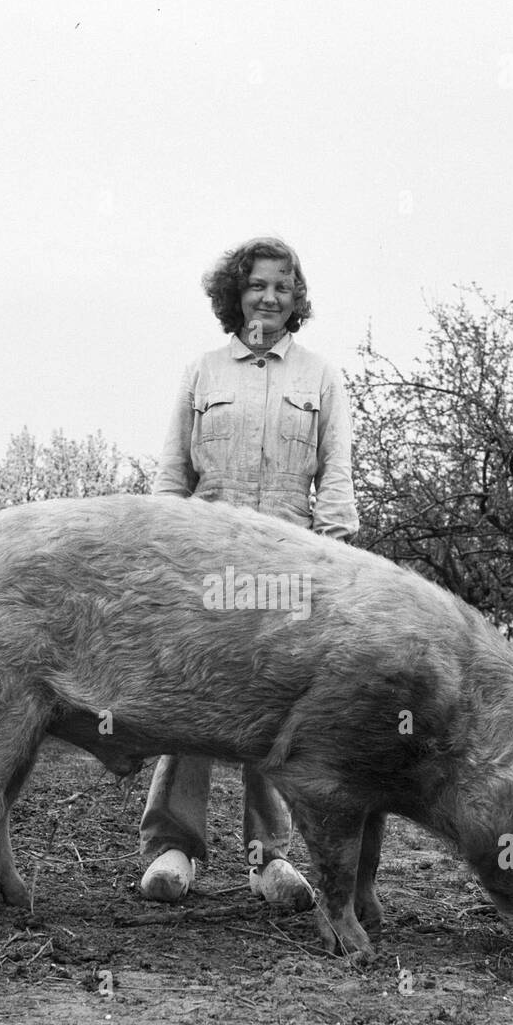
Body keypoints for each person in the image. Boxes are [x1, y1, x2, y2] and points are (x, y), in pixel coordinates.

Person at [139, 236, 359, 907]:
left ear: (298, 301)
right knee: (194, 701)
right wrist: (162, 559)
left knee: (278, 710)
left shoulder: (320, 378)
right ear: (236, 294)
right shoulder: (203, 373)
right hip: (206, 560)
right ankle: (173, 848)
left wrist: (333, 563)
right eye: (258, 284)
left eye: (283, 287)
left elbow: (338, 484)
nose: (270, 296)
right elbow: (172, 478)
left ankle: (269, 858)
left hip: (289, 565)